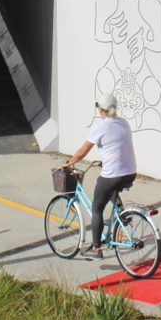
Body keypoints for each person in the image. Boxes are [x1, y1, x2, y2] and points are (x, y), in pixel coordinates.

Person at [62, 92, 138, 260]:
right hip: (130, 173)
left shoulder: (101, 127)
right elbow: (118, 146)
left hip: (114, 174)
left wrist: (69, 163)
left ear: (101, 109)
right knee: (111, 186)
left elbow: (83, 151)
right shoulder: (124, 123)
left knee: (97, 209)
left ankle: (95, 249)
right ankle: (120, 212)